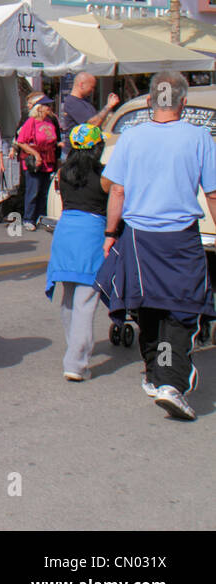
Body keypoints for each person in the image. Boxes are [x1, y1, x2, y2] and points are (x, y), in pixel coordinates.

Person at [96, 71, 216, 421]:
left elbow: (116, 190)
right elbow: (211, 194)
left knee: (147, 305)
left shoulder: (132, 138)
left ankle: (155, 373)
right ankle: (171, 383)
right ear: (182, 102)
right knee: (181, 308)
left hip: (139, 235)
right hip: (180, 237)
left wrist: (109, 233)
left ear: (150, 101)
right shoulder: (200, 138)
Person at [45, 124, 111, 381]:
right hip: (91, 235)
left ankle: (75, 348)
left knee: (69, 298)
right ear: (98, 148)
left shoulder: (62, 173)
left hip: (66, 233)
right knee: (85, 300)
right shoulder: (105, 176)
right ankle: (75, 361)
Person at [12, 92, 58, 230]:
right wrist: (35, 154)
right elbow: (21, 141)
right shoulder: (31, 122)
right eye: (47, 105)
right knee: (33, 190)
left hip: (48, 160)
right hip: (35, 161)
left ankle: (41, 216)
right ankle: (29, 218)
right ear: (39, 108)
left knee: (44, 191)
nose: (50, 107)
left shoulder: (50, 121)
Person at [59, 72, 119, 156]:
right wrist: (108, 106)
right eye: (92, 87)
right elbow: (92, 124)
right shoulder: (72, 102)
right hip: (76, 153)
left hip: (86, 151)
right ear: (81, 84)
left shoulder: (84, 101)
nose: (93, 90)